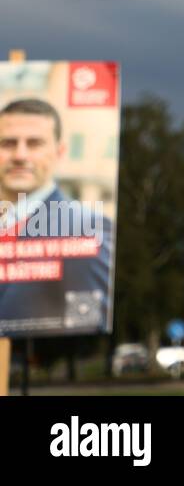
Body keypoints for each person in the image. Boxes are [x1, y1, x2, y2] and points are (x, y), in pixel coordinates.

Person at [0, 98, 113, 335]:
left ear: (59, 151)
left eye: (34, 143)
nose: (20, 155)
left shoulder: (88, 229)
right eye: (8, 143)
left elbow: (89, 321)